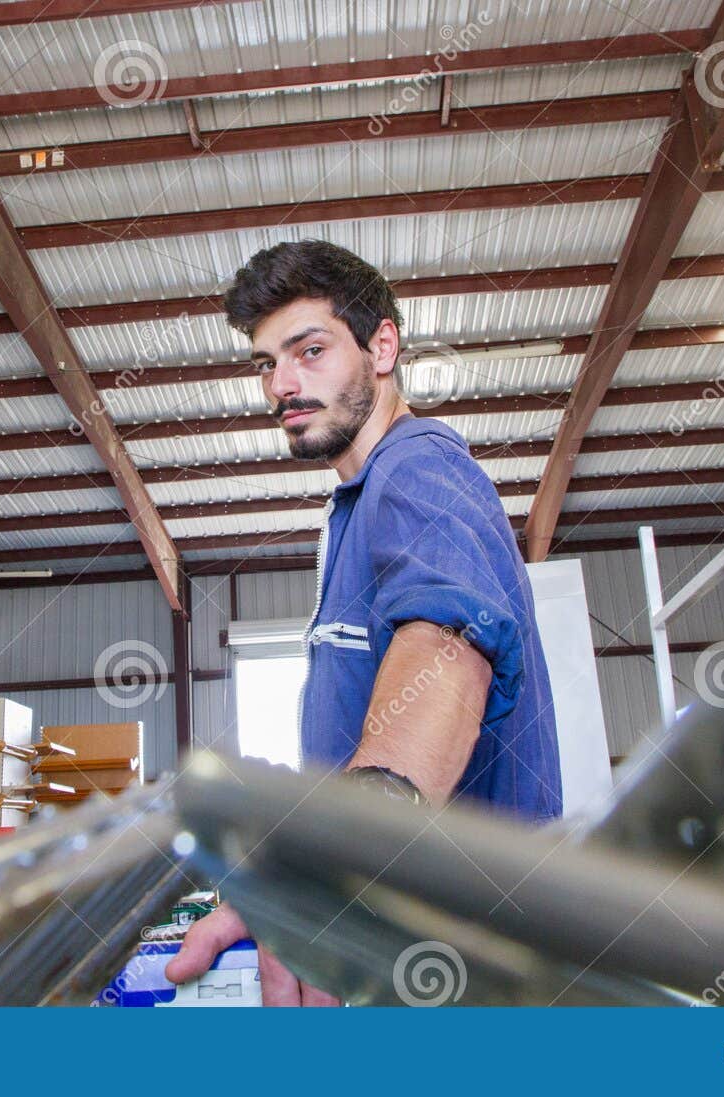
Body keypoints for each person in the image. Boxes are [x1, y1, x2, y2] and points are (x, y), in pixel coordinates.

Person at [165, 240, 563, 1005]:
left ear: (382, 346)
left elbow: (445, 648)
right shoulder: (356, 505)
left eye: (310, 350)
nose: (282, 383)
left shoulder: (418, 471)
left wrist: (336, 865)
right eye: (266, 362)